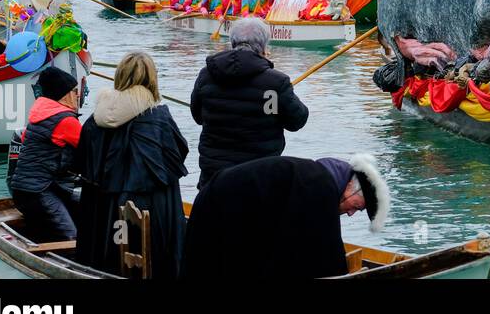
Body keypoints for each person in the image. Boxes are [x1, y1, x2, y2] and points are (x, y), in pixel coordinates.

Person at [181, 153, 387, 280]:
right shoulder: (322, 187)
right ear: (351, 188)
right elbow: (328, 256)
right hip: (222, 211)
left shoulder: (319, 176)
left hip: (219, 201)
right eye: (357, 207)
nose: (350, 213)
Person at [74, 52, 188, 277]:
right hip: (153, 207)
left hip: (104, 211)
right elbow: (177, 155)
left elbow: (82, 166)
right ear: (152, 81)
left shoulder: (95, 119)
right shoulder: (158, 119)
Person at [189, 17, 309, 190]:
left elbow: (198, 116)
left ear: (232, 42)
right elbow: (296, 121)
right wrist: (280, 97)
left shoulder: (207, 75)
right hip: (259, 179)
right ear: (264, 46)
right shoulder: (274, 83)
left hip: (214, 178)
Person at [8, 67, 83, 242]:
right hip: (38, 192)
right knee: (72, 238)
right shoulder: (66, 121)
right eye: (74, 91)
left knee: (86, 207)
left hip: (23, 191)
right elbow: (92, 149)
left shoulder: (38, 115)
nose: (77, 95)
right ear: (63, 94)